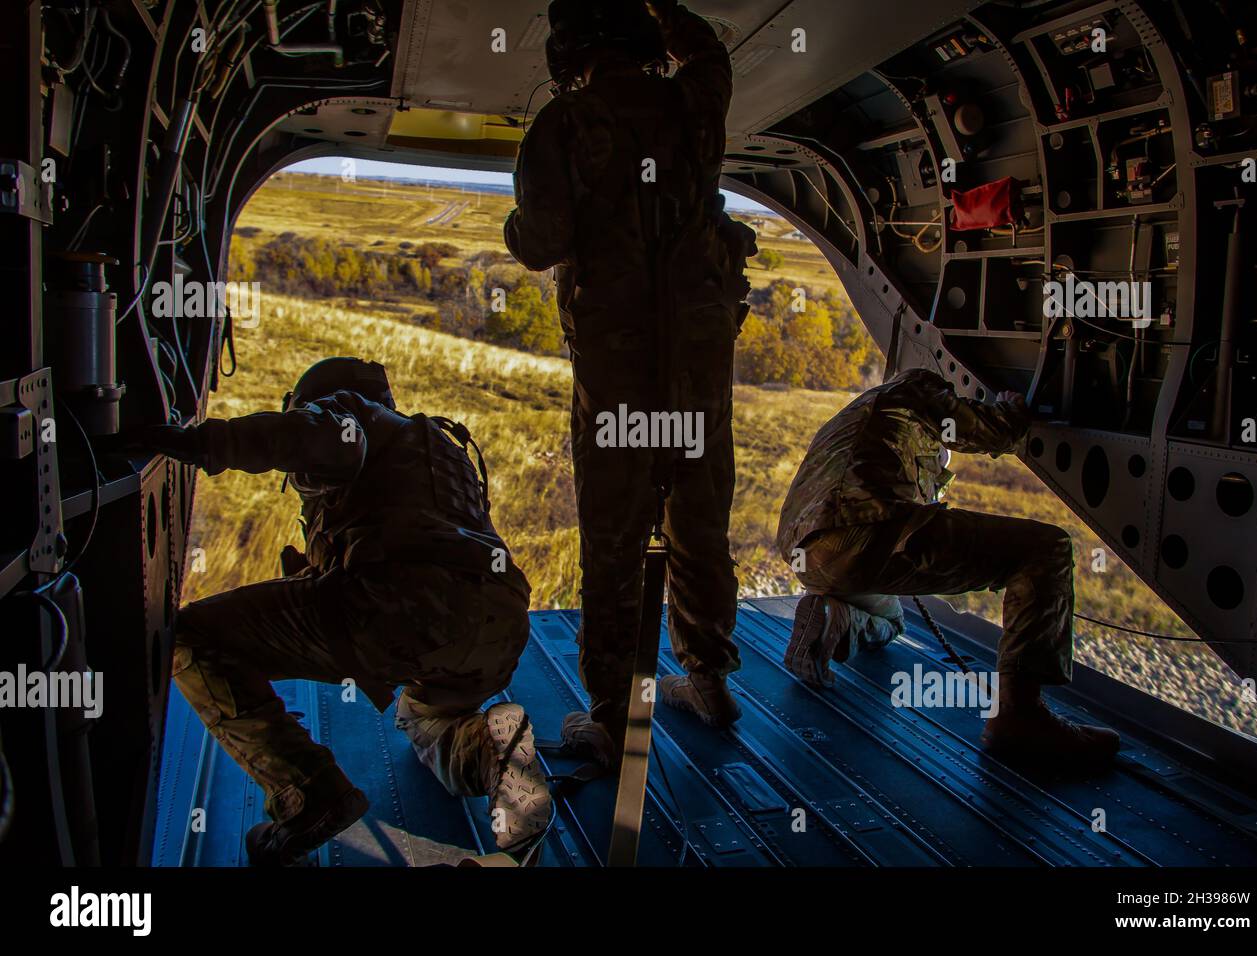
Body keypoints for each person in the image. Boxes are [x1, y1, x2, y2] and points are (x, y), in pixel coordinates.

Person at [117, 357, 551, 864]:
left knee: (193, 639)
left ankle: (308, 794)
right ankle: (495, 750)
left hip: (401, 608)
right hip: (498, 627)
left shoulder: (350, 414)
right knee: (424, 721)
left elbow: (317, 436)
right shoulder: (441, 450)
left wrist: (200, 443)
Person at [504, 0, 751, 767]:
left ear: (569, 56)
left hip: (618, 382)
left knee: (613, 544)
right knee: (699, 524)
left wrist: (522, 229)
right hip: (696, 376)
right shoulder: (692, 104)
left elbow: (538, 243)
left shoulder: (567, 125)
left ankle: (612, 718)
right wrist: (659, 4)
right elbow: (710, 54)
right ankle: (707, 678)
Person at [777, 367, 1120, 763]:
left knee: (892, 624)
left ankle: (836, 617)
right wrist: (1010, 408)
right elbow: (992, 431)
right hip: (866, 537)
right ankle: (1019, 716)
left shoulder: (858, 418)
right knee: (1047, 548)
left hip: (812, 556)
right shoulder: (917, 389)